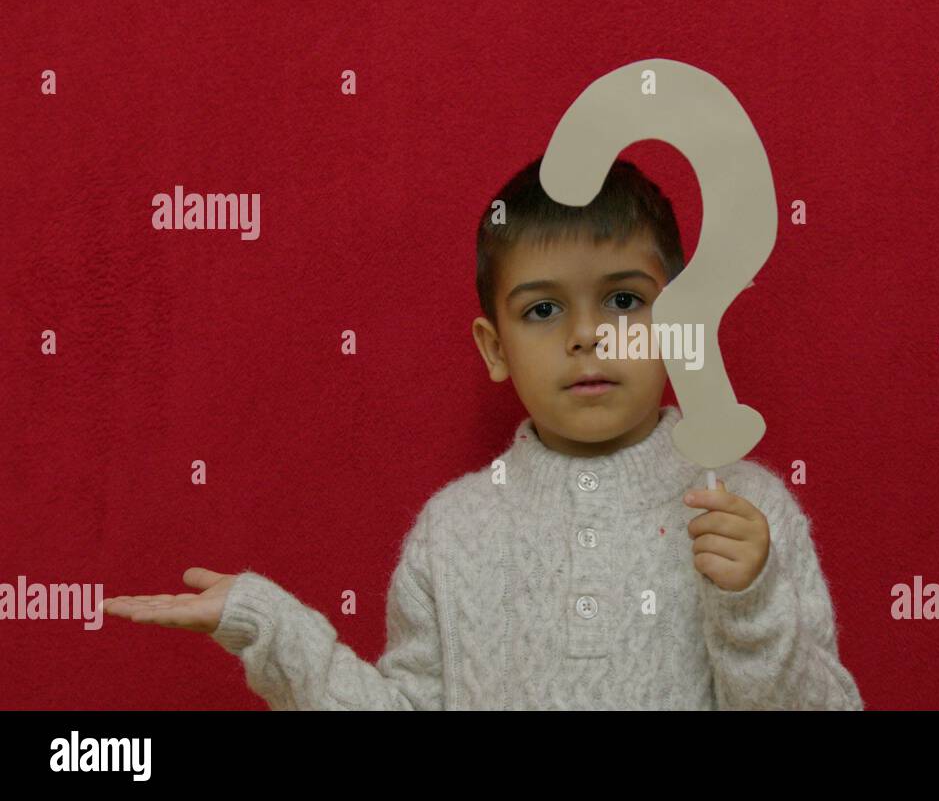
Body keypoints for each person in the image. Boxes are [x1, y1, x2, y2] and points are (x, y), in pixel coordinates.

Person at [101, 156, 863, 710]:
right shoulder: (454, 532)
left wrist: (751, 607)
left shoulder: (747, 513)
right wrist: (272, 629)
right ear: (495, 347)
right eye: (542, 309)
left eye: (625, 299)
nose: (588, 335)